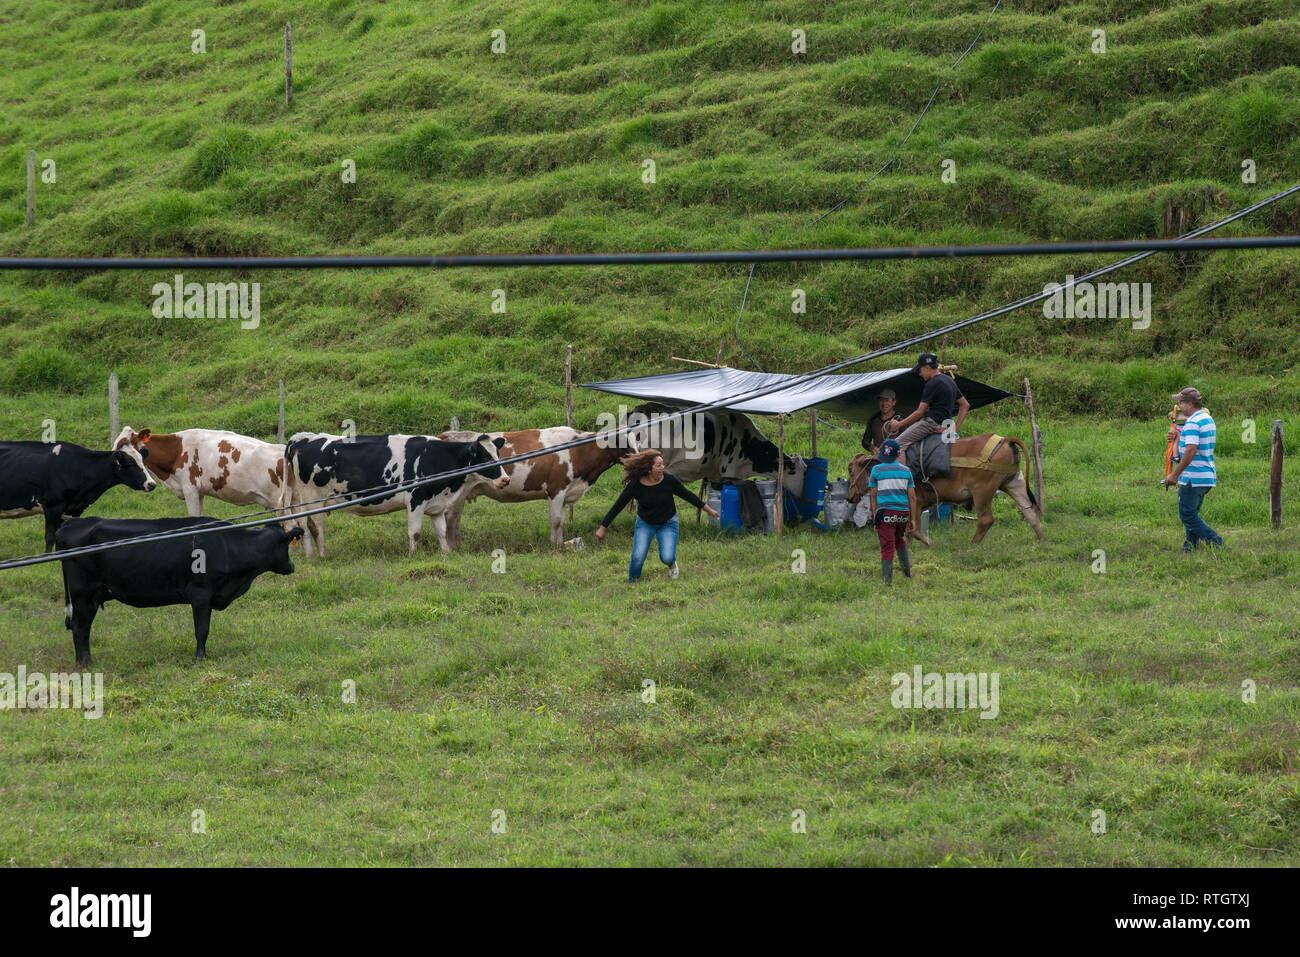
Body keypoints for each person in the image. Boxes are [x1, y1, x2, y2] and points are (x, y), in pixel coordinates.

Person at [595, 449, 720, 582]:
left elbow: (688, 495)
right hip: (645, 523)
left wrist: (710, 510)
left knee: (666, 557)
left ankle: (672, 564)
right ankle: (633, 582)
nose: (663, 467)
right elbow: (618, 506)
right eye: (658, 465)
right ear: (649, 469)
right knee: (638, 556)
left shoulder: (669, 480)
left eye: (663, 464)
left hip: (668, 523)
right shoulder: (635, 485)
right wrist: (603, 527)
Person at [1162, 387, 1223, 551]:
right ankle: (1189, 547)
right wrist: (1176, 435)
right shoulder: (1206, 419)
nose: (1179, 406)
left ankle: (1217, 542)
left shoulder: (1193, 422)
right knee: (1192, 513)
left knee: (1187, 515)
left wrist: (1175, 474)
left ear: (1189, 403)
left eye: (1181, 402)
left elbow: (1191, 449)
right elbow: (1193, 440)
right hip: (1206, 475)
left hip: (1192, 477)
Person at [886, 353, 970, 461]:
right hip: (946, 425)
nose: (920, 373)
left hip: (930, 424)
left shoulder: (932, 384)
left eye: (920, 370)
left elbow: (920, 412)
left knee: (896, 445)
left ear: (927, 367)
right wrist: (955, 429)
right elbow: (965, 405)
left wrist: (899, 425)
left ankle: (902, 476)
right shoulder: (949, 380)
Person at [867, 439, 918, 585]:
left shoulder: (876, 470)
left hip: (885, 514)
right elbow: (912, 497)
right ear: (898, 454)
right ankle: (907, 574)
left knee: (887, 546)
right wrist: (913, 519)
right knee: (899, 540)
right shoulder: (906, 471)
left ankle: (887, 582)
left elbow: (874, 495)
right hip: (903, 513)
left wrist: (875, 516)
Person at [861, 389, 901, 454]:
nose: (884, 403)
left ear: (894, 402)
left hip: (896, 457)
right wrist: (871, 447)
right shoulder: (873, 419)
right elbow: (865, 441)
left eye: (887, 400)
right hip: (878, 457)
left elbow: (908, 440)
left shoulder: (900, 419)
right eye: (881, 400)